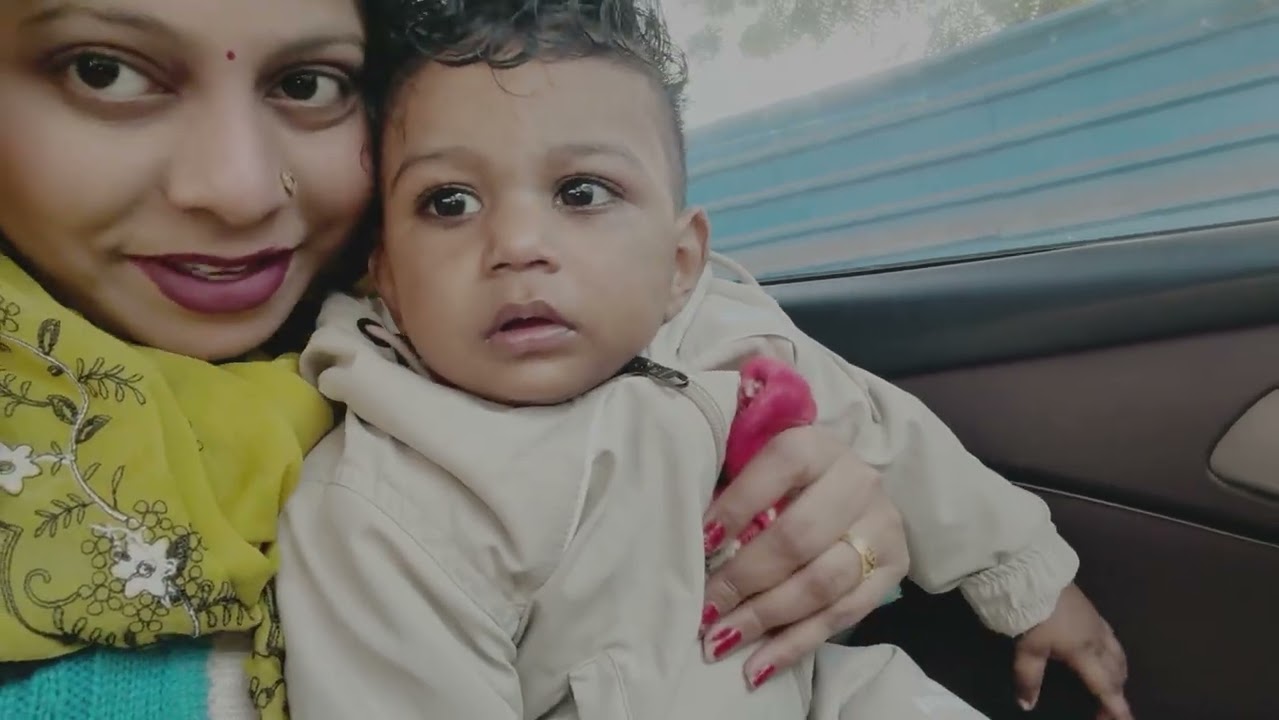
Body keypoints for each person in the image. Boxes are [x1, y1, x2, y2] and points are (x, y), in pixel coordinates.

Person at [0, 1, 915, 718]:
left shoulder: (518, 306)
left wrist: (848, 517)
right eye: (104, 70)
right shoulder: (384, 480)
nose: (237, 191)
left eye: (312, 84)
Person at [276, 1, 1131, 718]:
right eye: (449, 201)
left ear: (679, 260)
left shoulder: (727, 338)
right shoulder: (381, 511)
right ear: (383, 272)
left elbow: (882, 433)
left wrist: (1030, 581)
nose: (518, 244)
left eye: (582, 192)